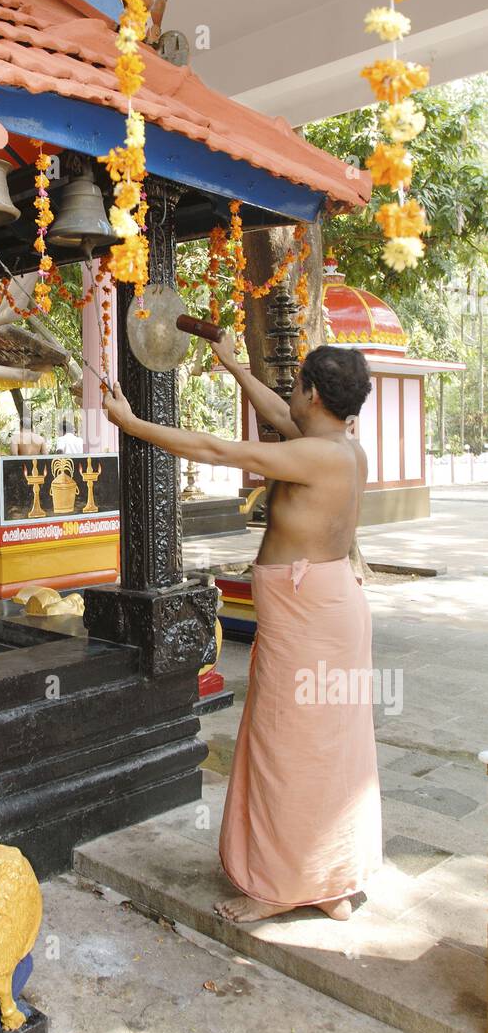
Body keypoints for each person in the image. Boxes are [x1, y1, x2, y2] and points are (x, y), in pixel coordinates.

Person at [103, 335, 382, 924]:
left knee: (286, 744)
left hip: (311, 617)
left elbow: (219, 450)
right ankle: (329, 879)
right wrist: (233, 365)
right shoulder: (339, 446)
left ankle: (277, 885)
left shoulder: (316, 455)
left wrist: (133, 423)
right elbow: (279, 414)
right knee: (328, 745)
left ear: (311, 391)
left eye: (296, 386)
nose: (290, 398)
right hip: (331, 608)